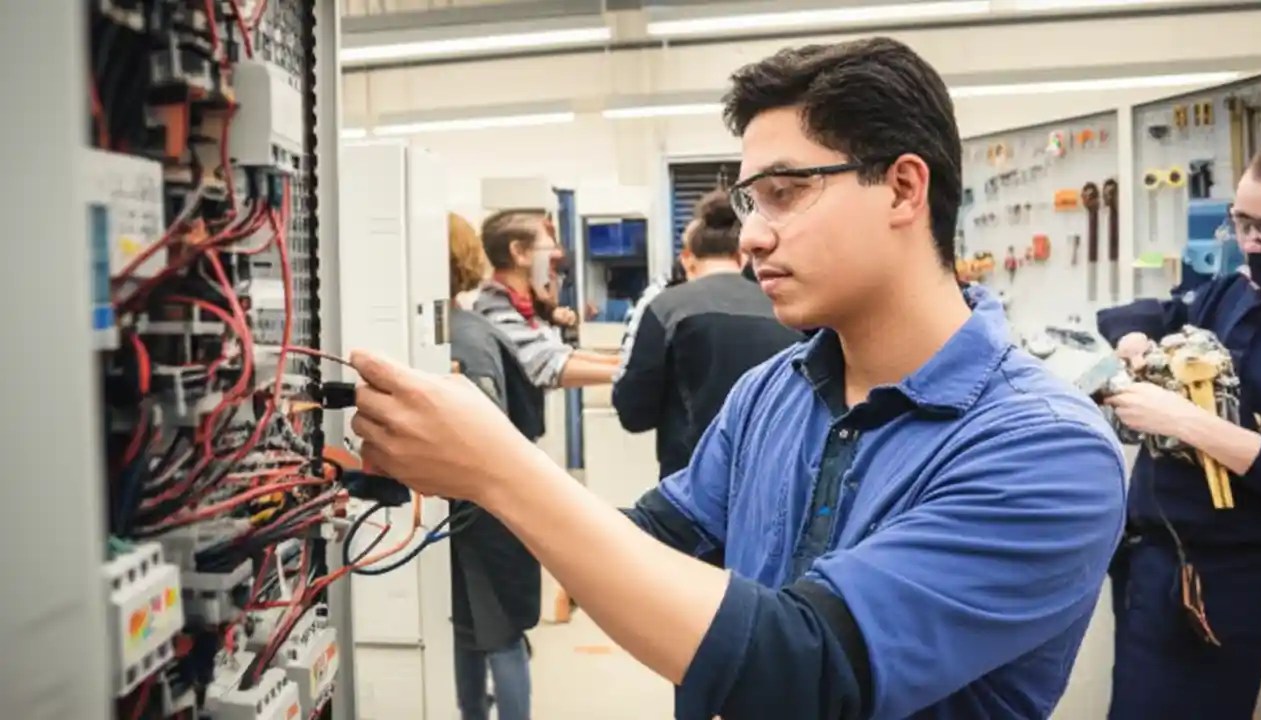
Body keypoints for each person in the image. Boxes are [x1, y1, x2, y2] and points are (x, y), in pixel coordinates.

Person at [348, 38, 1125, 719]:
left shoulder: (1047, 451)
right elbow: (650, 540)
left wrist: (500, 464)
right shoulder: (775, 390)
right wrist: (452, 468)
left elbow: (808, 673)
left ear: (903, 188)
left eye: (786, 193)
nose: (751, 234)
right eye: (752, 200)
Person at [1097, 142, 1261, 720]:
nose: (1252, 243)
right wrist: (1134, 344)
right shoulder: (1231, 291)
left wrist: (1186, 422)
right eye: (1243, 222)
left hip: (1222, 580)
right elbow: (1150, 315)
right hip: (1150, 555)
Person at [612, 190, 803, 478]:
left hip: (691, 489)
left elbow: (633, 412)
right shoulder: (788, 307)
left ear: (689, 257)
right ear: (742, 255)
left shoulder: (667, 307)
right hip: (778, 483)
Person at [443, 213, 541, 720]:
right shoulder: (469, 329)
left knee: (499, 634)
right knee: (467, 631)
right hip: (473, 513)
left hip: (484, 515)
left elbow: (488, 438)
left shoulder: (463, 339)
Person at [472, 209, 619, 389]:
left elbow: (560, 353)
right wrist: (634, 373)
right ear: (519, 252)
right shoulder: (495, 310)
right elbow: (547, 364)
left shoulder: (522, 308)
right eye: (549, 252)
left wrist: (622, 363)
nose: (558, 259)